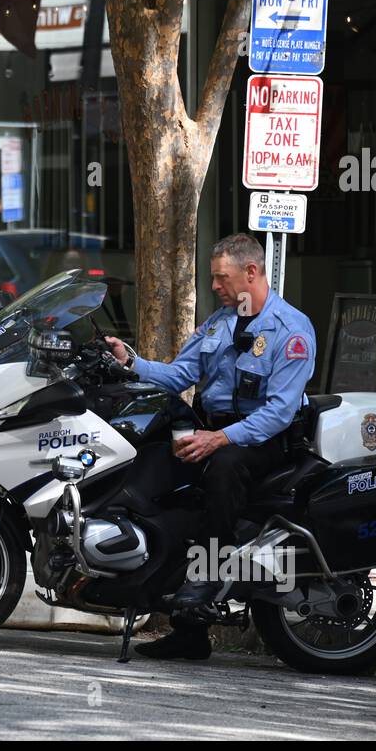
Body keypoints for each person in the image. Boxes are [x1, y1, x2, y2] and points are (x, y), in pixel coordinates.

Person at [104, 233, 316, 661]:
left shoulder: (291, 330)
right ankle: (178, 621)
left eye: (222, 278)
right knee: (153, 465)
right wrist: (129, 361)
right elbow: (178, 375)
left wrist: (219, 438)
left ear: (251, 273)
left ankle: (207, 577)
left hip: (267, 440)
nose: (215, 286)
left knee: (222, 468)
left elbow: (277, 413)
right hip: (212, 431)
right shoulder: (219, 323)